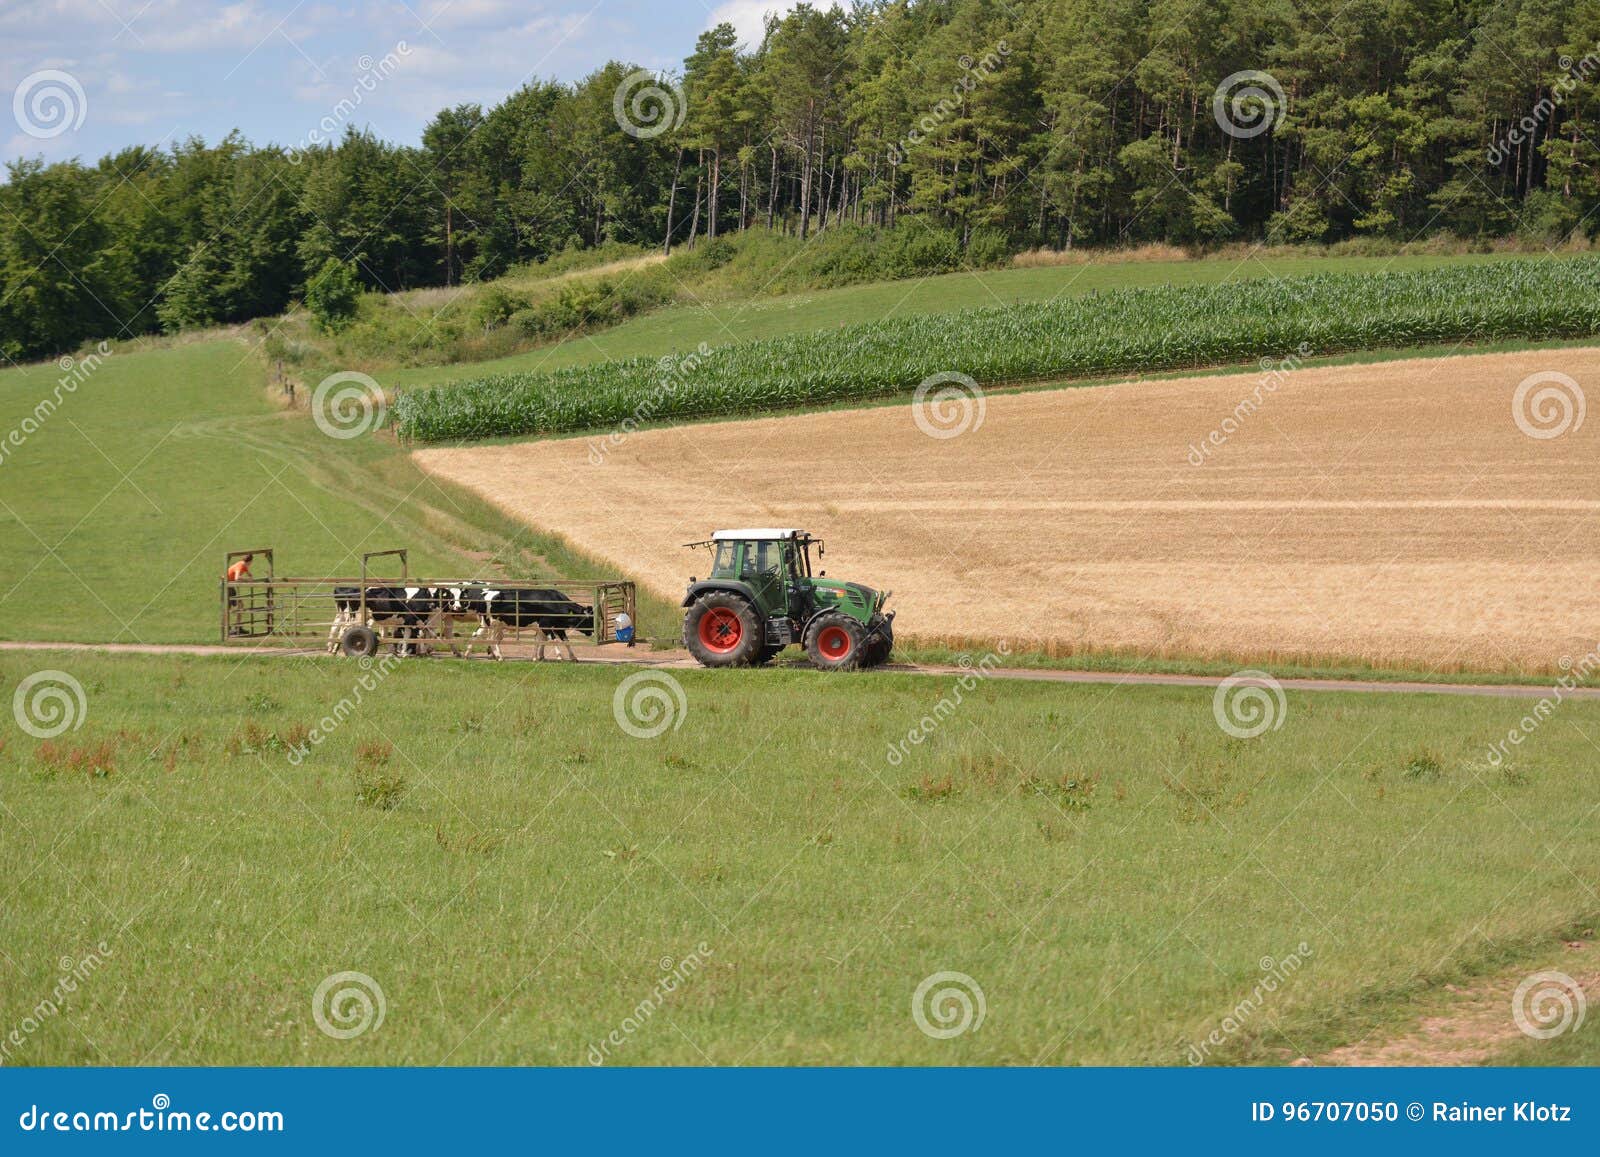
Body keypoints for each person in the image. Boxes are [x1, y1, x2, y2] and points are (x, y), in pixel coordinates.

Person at [225, 554, 253, 633]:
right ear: (250, 562)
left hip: (230, 585)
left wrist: (250, 576)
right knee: (231, 607)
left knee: (239, 605)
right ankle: (231, 629)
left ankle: (237, 627)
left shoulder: (243, 565)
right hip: (228, 585)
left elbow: (250, 575)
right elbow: (237, 578)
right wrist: (247, 580)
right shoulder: (241, 565)